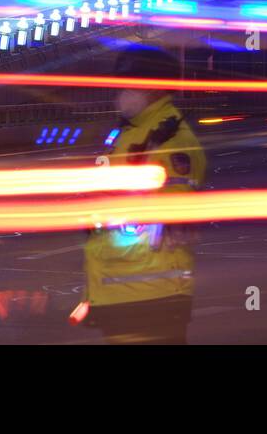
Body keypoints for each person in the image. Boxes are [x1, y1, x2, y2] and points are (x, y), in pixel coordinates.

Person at [79, 45, 207, 344]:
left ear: (153, 87)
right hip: (121, 288)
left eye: (129, 83)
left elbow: (173, 215)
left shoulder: (170, 141)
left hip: (151, 293)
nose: (122, 91)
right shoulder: (131, 133)